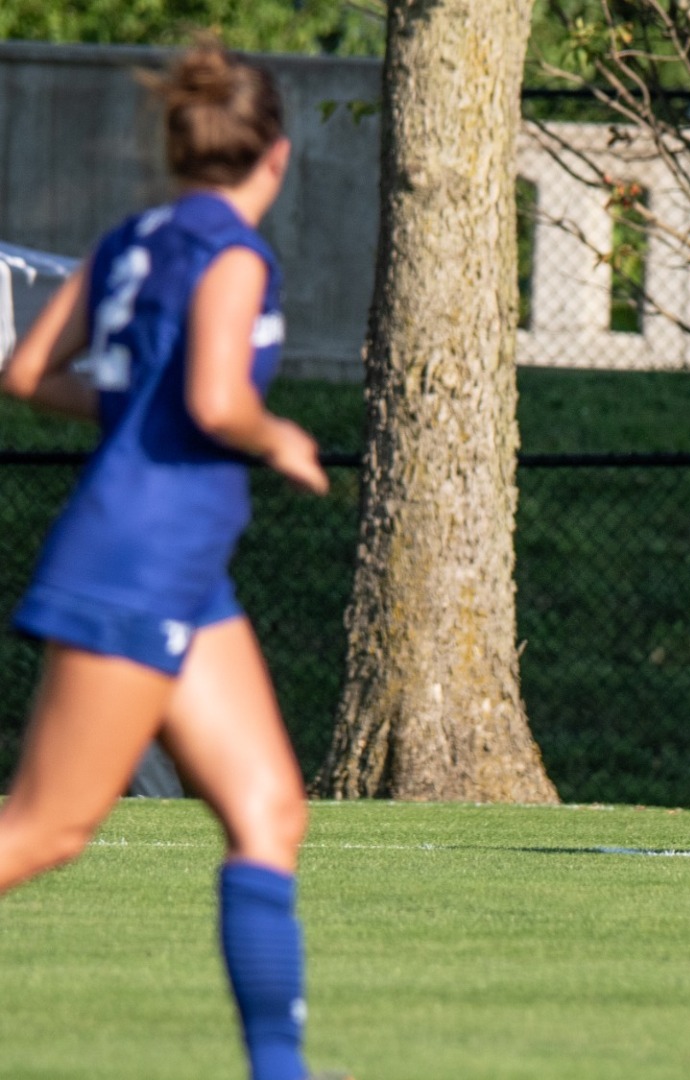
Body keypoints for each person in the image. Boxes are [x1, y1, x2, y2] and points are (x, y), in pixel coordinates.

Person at [0, 39, 332, 1080]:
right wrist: (274, 436)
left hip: (186, 571)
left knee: (269, 808)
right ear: (274, 155)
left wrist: (141, 404)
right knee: (45, 832)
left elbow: (23, 371)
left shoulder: (128, 239)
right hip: (136, 562)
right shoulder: (235, 253)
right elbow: (215, 400)